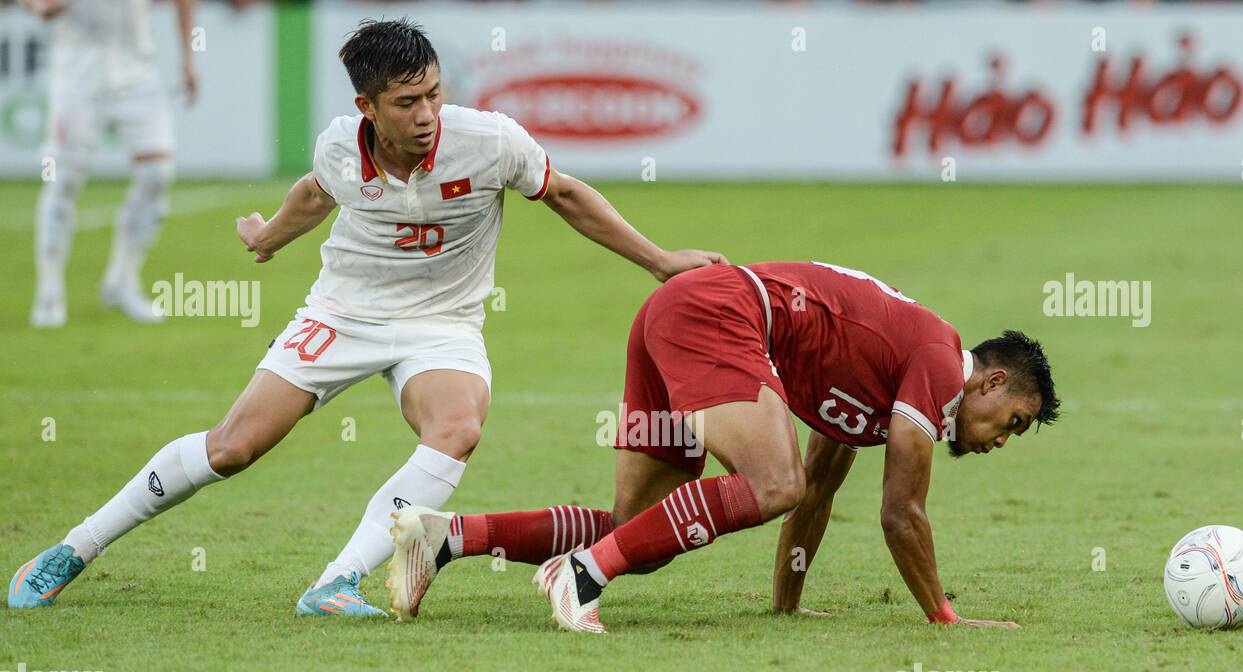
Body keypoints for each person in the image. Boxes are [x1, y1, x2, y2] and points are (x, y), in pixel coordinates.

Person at [8, 17, 726, 614]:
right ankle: (76, 546)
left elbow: (566, 195)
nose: (426, 115)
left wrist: (660, 261)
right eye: (407, 102)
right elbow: (314, 194)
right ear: (368, 108)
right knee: (232, 448)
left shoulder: (491, 141)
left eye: (435, 96)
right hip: (344, 310)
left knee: (458, 427)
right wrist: (267, 238)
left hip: (443, 321)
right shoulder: (338, 146)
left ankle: (335, 580)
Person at [390, 261, 1059, 631]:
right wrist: (944, 615)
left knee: (636, 528)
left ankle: (447, 537)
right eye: (1015, 419)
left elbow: (819, 494)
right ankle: (584, 574)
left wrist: (788, 603)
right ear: (991, 381)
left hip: (679, 312)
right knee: (774, 481)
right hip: (721, 312)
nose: (1005, 438)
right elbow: (900, 512)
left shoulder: (884, 386)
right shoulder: (938, 367)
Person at [24, 0, 198, 327]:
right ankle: (49, 289)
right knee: (62, 180)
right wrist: (37, 5)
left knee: (157, 175)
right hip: (77, 76)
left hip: (137, 74)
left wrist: (188, 57)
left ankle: (122, 279)